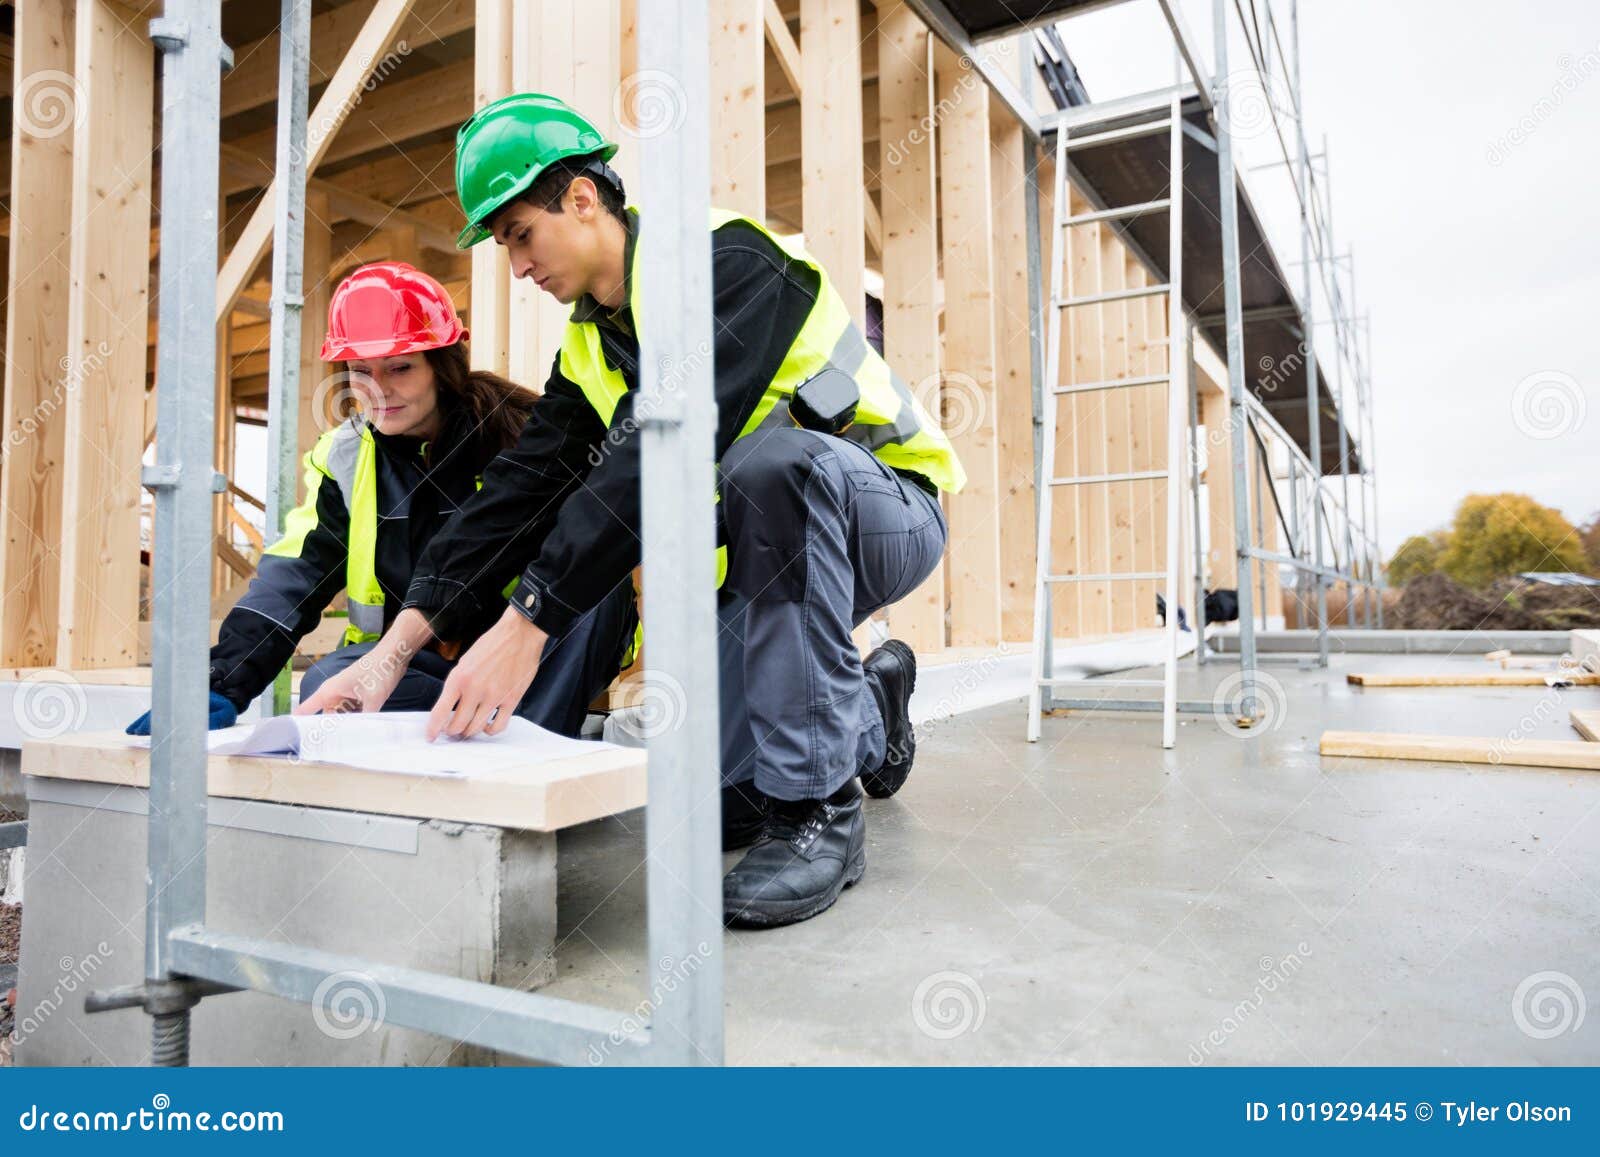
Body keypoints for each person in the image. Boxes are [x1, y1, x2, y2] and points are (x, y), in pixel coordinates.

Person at [296, 95, 965, 929]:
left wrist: (528, 620)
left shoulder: (726, 261)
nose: (516, 266)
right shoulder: (588, 347)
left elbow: (659, 450)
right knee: (723, 797)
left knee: (773, 467)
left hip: (883, 508)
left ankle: (822, 816)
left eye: (518, 235)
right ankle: (871, 700)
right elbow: (519, 495)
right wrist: (393, 652)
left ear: (581, 199)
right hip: (764, 575)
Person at [129, 261, 635, 739]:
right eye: (361, 371)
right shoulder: (345, 459)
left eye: (399, 369)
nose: (378, 390)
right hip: (421, 661)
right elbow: (292, 583)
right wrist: (220, 684)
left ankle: (527, 757)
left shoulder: (523, 435)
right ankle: (453, 744)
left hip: (534, 654)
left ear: (442, 366)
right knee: (327, 686)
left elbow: (587, 550)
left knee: (591, 592)